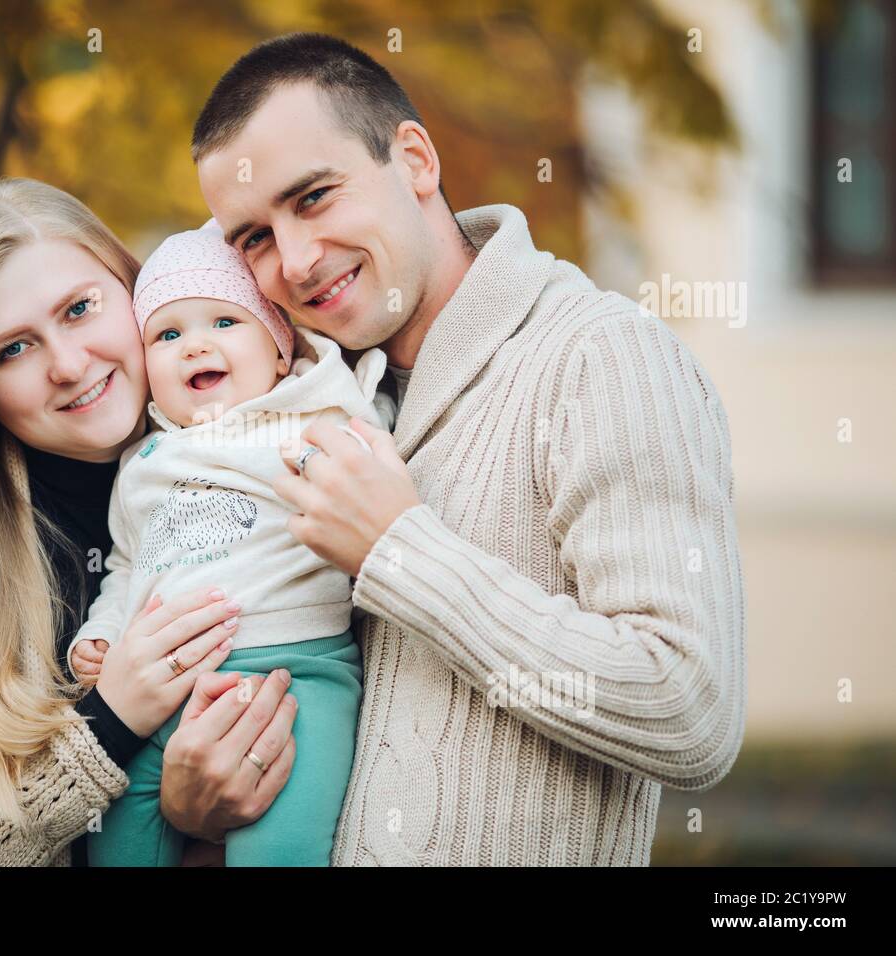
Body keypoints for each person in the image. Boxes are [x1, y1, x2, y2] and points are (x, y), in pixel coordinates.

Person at [171, 32, 747, 865]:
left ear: (414, 161)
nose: (294, 262)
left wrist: (398, 554)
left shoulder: (602, 357)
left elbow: (690, 708)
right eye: (253, 238)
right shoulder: (309, 408)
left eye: (315, 198)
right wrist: (198, 814)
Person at [0, 179, 297, 866]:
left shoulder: (285, 441)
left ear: (134, 288)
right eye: (12, 350)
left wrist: (201, 827)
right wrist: (106, 730)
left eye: (80, 309)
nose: (68, 365)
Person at [67, 220, 393, 865]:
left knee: (285, 845)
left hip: (299, 676)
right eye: (167, 334)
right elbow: (129, 566)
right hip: (164, 696)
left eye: (223, 323)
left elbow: (370, 481)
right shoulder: (148, 460)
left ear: (279, 350)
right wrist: (101, 633)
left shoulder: (310, 419)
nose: (194, 346)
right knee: (116, 836)